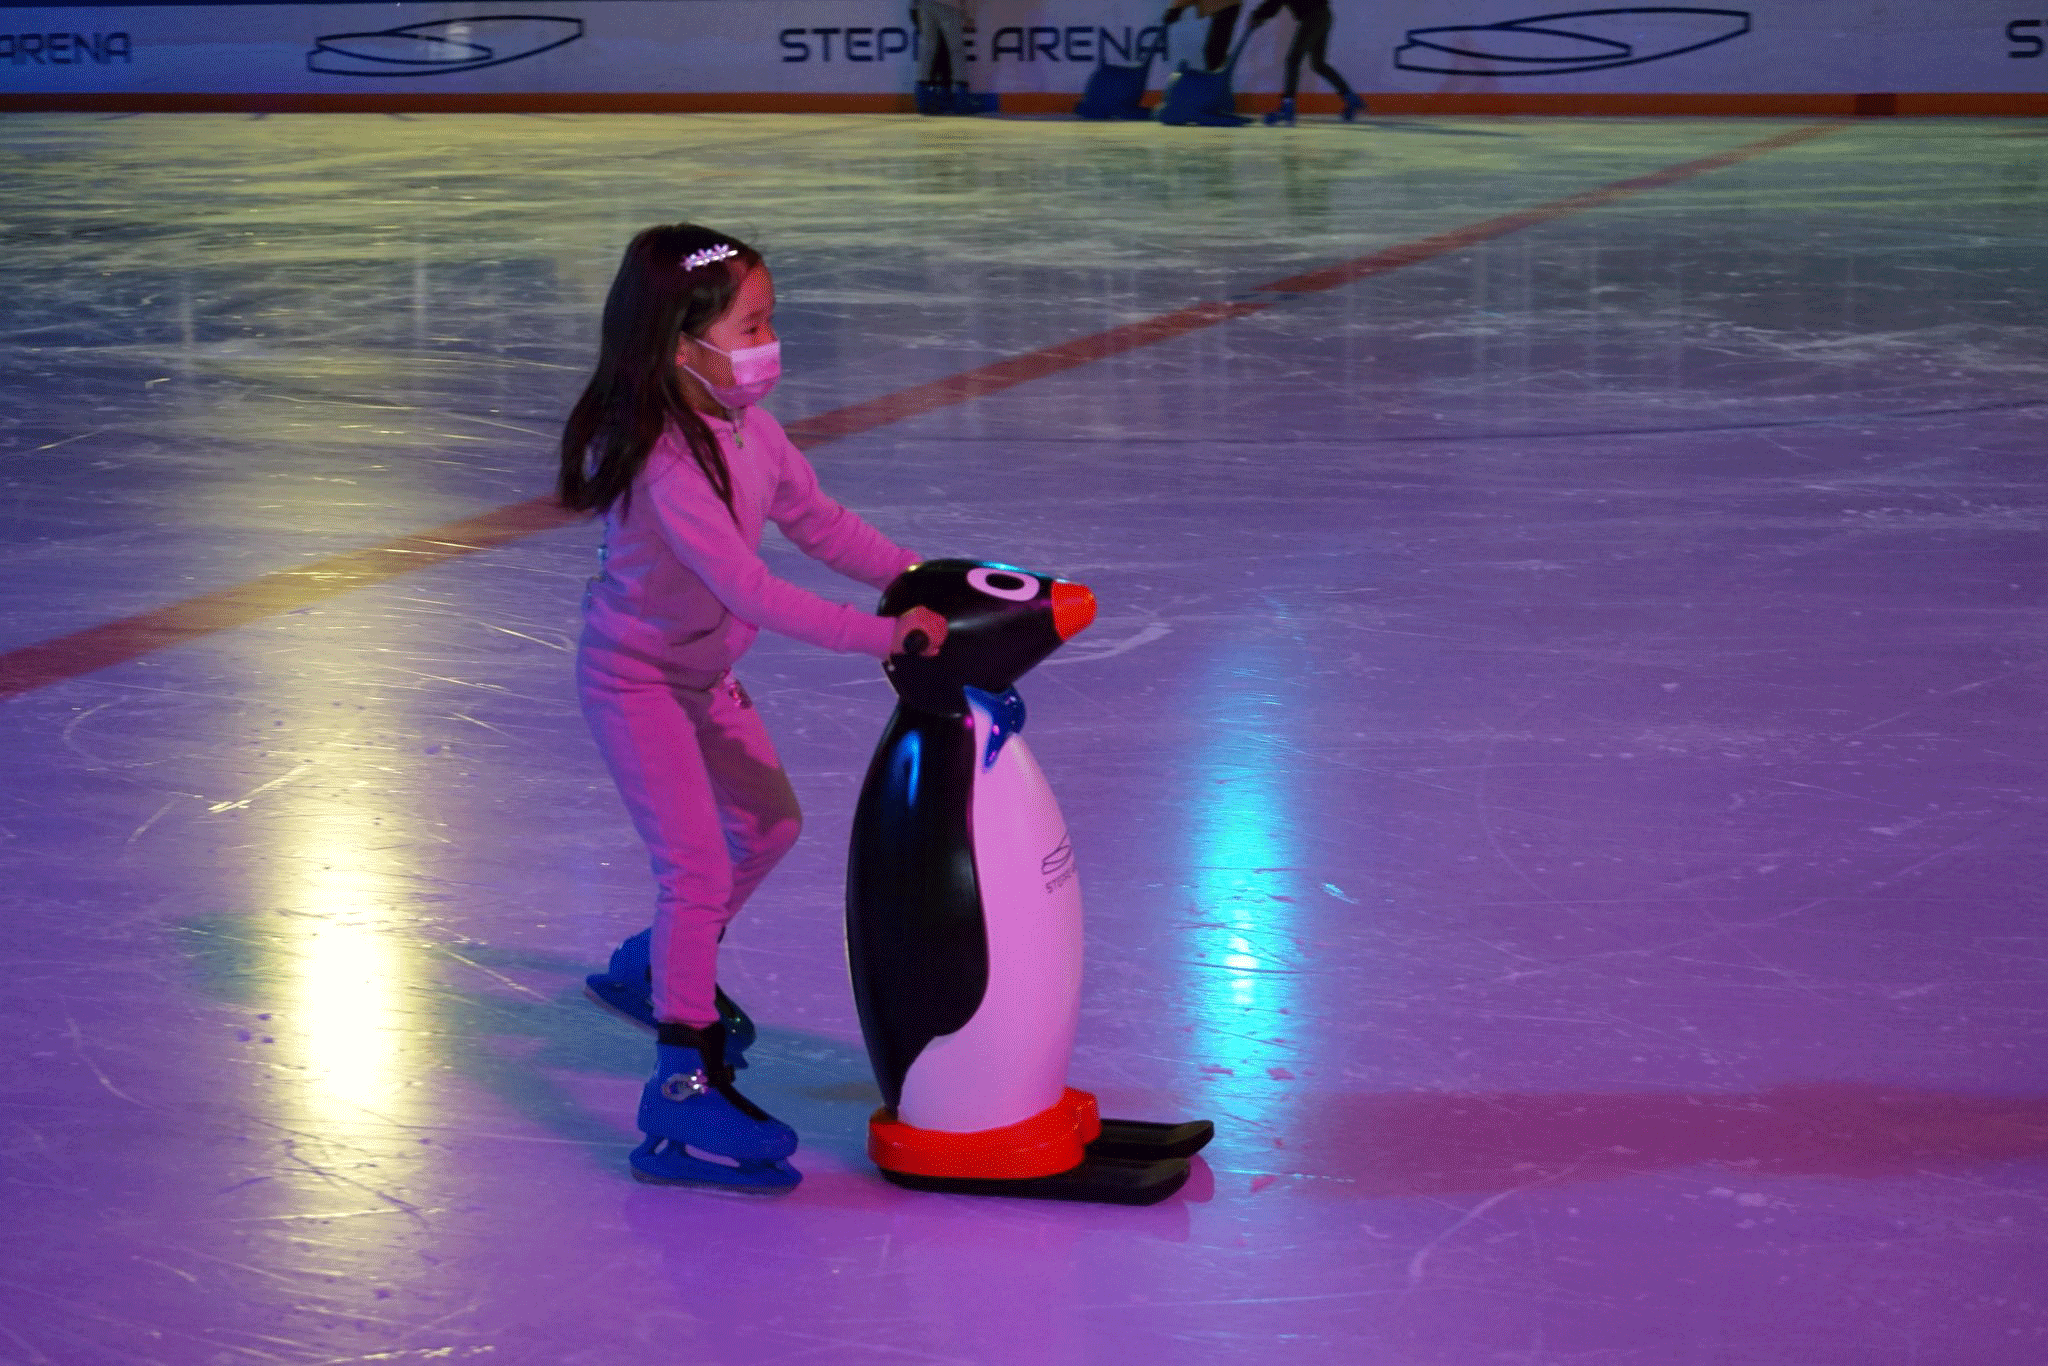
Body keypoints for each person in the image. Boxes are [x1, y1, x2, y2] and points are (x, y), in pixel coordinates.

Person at [557, 223, 948, 1190]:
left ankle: (654, 967)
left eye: (770, 319)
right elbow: (752, 590)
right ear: (678, 343)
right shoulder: (664, 459)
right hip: (636, 678)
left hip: (700, 672)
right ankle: (680, 1085)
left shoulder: (747, 429)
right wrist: (881, 637)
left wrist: (916, 577)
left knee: (769, 825)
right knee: (694, 868)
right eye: (752, 324)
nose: (770, 342)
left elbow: (817, 521)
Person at [1247, 0, 1365, 125]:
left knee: (1293, 60)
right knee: (1318, 64)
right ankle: (1351, 98)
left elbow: (1273, 4)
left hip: (1313, 17)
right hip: (1324, 15)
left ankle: (1287, 106)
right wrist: (1259, 16)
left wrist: (1256, 16)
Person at [911, 0, 978, 115]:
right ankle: (961, 98)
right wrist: (969, 15)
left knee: (927, 49)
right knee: (956, 50)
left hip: (925, 4)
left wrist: (915, 5)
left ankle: (922, 98)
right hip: (949, 4)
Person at [1162, 0, 1242, 72]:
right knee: (1215, 53)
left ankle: (1215, 74)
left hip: (1223, 7)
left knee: (1213, 55)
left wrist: (1175, 9)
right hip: (1227, 6)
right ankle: (1218, 70)